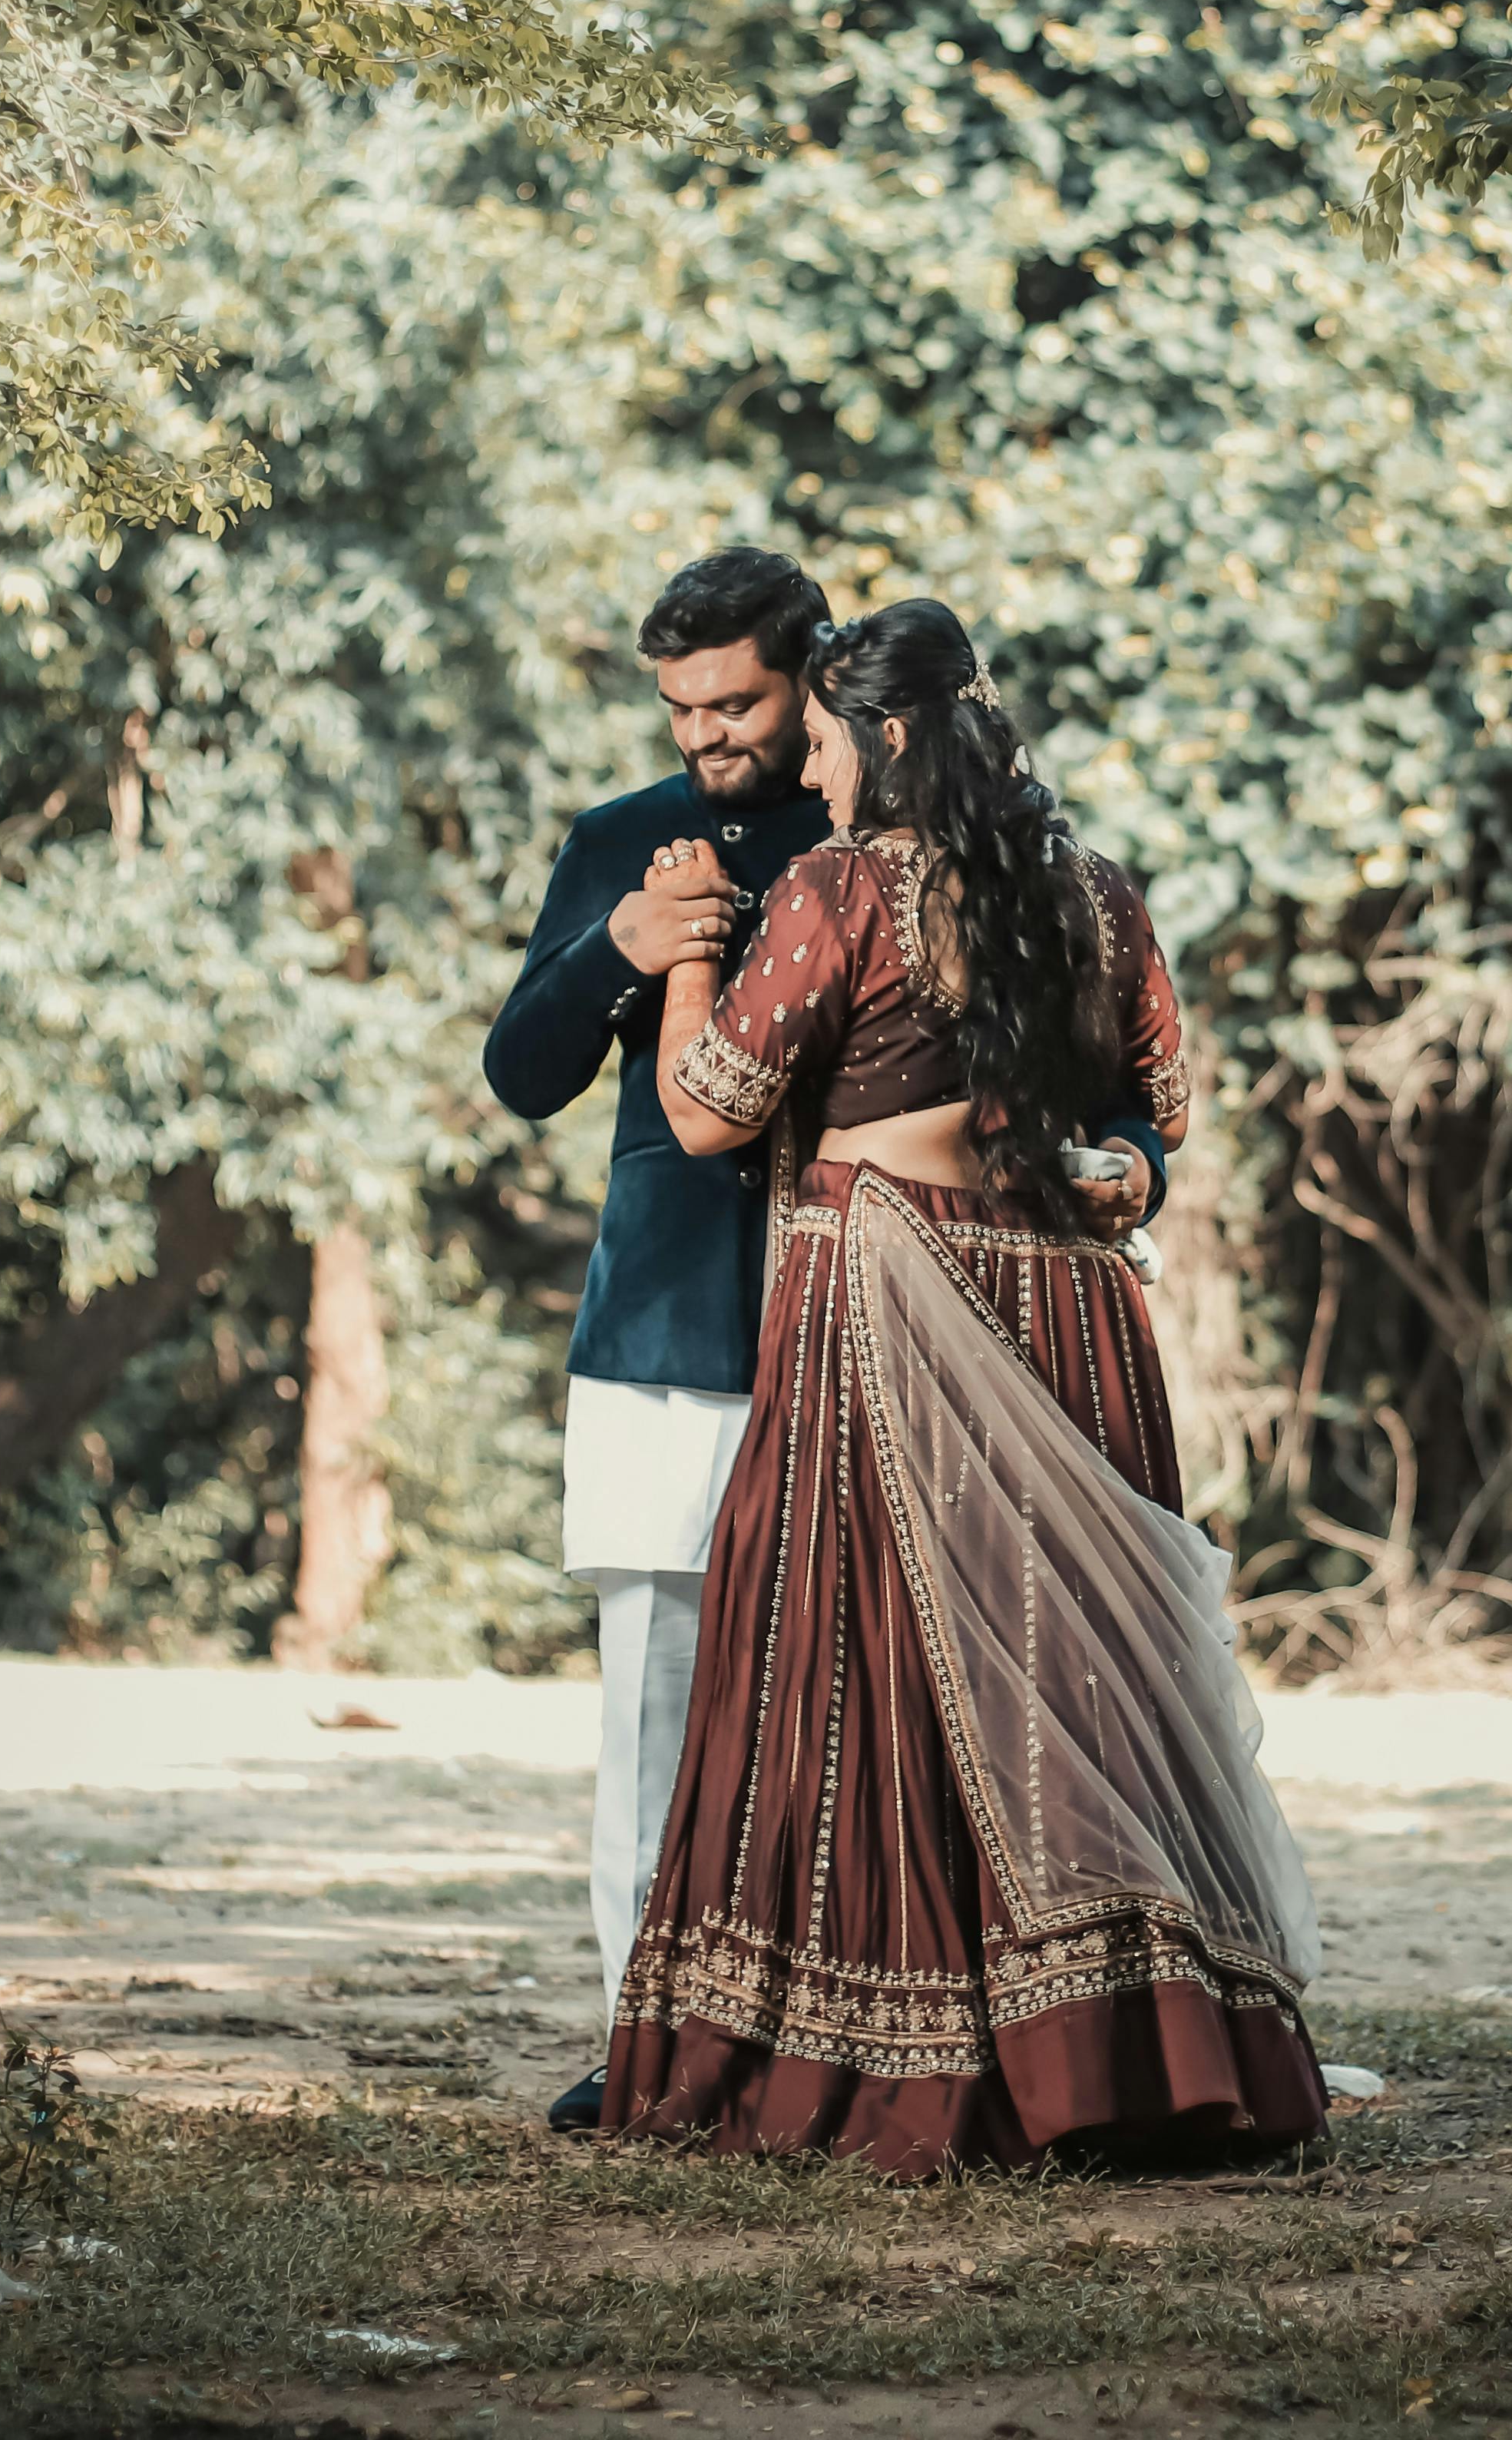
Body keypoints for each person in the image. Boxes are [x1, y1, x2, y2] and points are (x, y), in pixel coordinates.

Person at [602, 598, 1326, 2175]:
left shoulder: (833, 889)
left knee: (866, 1684)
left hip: (889, 1295)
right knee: (1075, 1693)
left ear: (889, 730)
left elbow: (714, 1110)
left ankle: (900, 2062)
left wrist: (686, 959)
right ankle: (1139, 2056)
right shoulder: (1096, 894)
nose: (813, 771)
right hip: (1066, 1309)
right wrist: (1121, 1176)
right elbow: (1161, 1110)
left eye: (821, 742)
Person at [483, 553, 1168, 2130]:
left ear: (812, 679)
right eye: (677, 707)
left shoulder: (901, 840)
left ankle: (880, 2038)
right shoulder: (619, 843)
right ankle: (640, 2037)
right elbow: (521, 1072)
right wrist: (623, 949)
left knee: (896, 1702)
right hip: (675, 1328)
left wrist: (1136, 1150)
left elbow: (1078, 1056)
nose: (705, 734)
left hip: (902, 1332)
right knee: (655, 1701)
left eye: (733, 703)